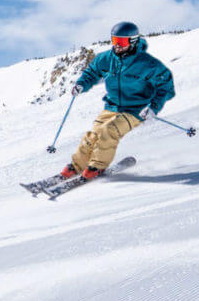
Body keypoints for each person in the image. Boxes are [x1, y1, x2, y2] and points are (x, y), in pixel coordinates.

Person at [62, 21, 177, 181]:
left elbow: (166, 88)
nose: (117, 46)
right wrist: (82, 84)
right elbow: (92, 72)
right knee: (92, 135)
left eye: (121, 42)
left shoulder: (148, 64)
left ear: (133, 41)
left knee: (109, 131)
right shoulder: (106, 58)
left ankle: (97, 167)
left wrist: (153, 108)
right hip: (112, 106)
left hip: (136, 110)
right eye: (115, 40)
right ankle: (77, 166)